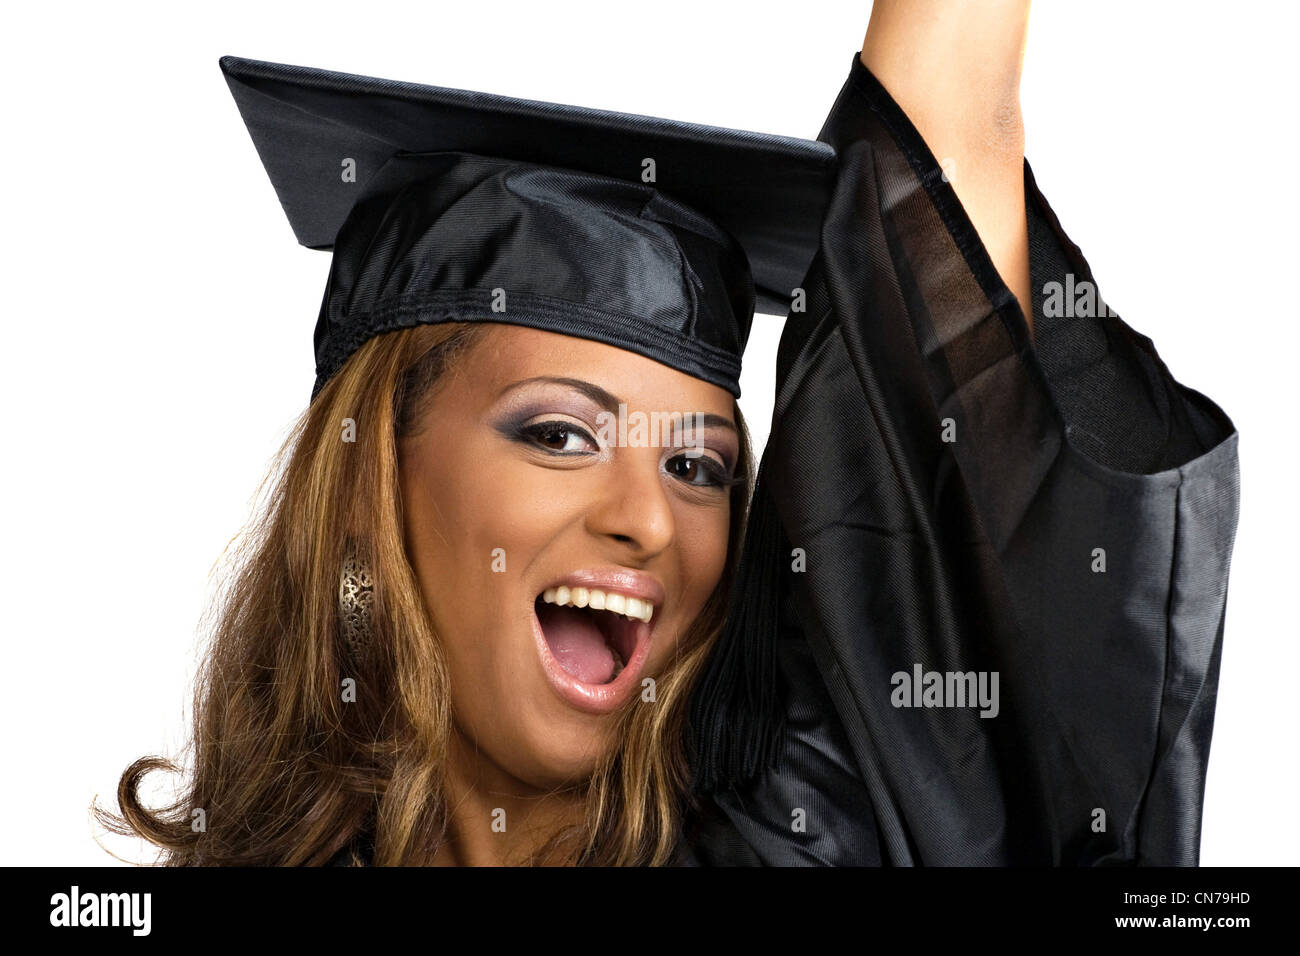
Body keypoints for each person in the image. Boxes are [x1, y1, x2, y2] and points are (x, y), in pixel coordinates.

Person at [97, 3, 1239, 867]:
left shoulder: (811, 831)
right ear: (368, 480)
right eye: (557, 434)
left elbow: (941, 138)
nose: (649, 519)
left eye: (699, 464)